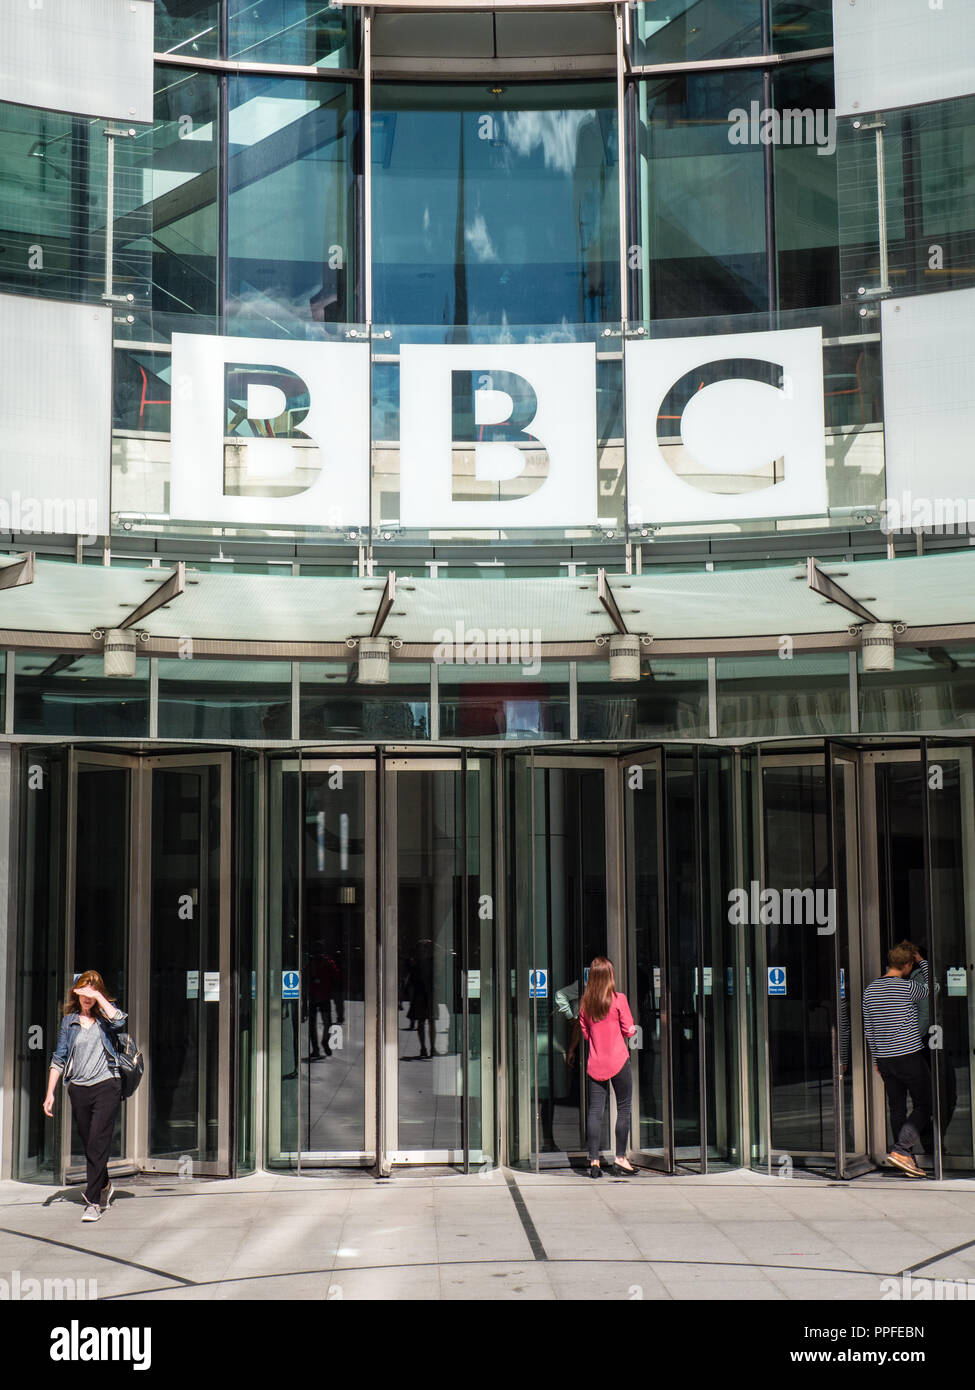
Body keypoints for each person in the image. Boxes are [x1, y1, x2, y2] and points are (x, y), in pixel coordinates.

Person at [43, 971, 128, 1221]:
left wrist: (99, 997)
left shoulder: (105, 1021)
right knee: (89, 1142)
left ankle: (93, 1202)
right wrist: (50, 1093)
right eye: (83, 991)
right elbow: (58, 1059)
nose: (87, 997)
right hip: (78, 1089)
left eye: (92, 991)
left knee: (97, 1142)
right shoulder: (68, 1022)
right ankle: (103, 1186)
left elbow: (120, 1020)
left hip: (106, 1086)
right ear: (75, 993)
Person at [861, 941, 931, 1178]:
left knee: (897, 1107)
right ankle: (901, 1149)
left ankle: (905, 1159)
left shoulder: (869, 990)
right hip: (908, 1054)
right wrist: (923, 961)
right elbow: (933, 987)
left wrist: (875, 1061)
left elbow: (869, 1029)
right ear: (908, 965)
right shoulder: (907, 987)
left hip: (885, 1059)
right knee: (926, 1102)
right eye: (913, 964)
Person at [576, 957, 638, 1179]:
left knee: (595, 1111)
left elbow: (585, 1033)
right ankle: (620, 1158)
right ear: (610, 976)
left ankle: (594, 1160)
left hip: (596, 1063)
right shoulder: (619, 999)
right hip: (618, 1061)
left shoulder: (585, 1004)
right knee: (623, 1108)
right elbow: (629, 1030)